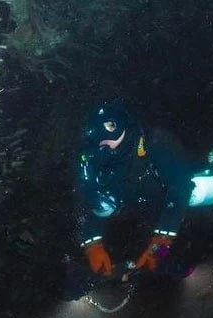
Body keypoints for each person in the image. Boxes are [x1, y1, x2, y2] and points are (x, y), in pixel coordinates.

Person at [75, 102, 195, 281]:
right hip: (132, 212)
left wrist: (161, 244)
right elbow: (86, 199)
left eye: (109, 125)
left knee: (172, 262)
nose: (102, 136)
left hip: (171, 209)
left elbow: (180, 189)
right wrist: (92, 244)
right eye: (94, 130)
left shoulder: (157, 143)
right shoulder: (94, 157)